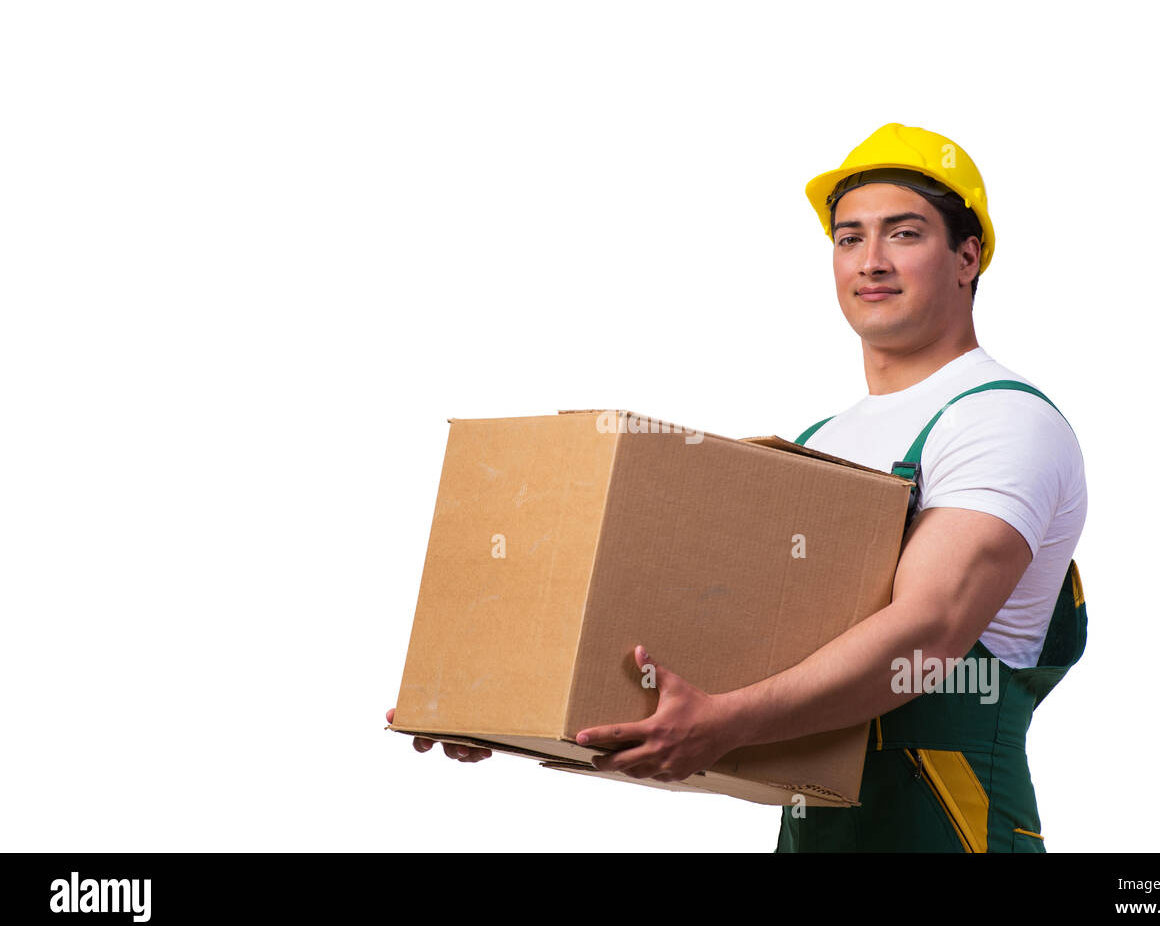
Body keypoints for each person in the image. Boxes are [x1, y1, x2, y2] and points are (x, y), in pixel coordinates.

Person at [388, 123, 1088, 852]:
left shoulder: (1003, 420)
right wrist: (509, 704)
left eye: (903, 234)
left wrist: (726, 721)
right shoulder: (821, 444)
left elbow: (930, 629)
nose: (871, 261)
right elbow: (727, 649)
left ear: (967, 256)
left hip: (955, 832)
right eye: (849, 239)